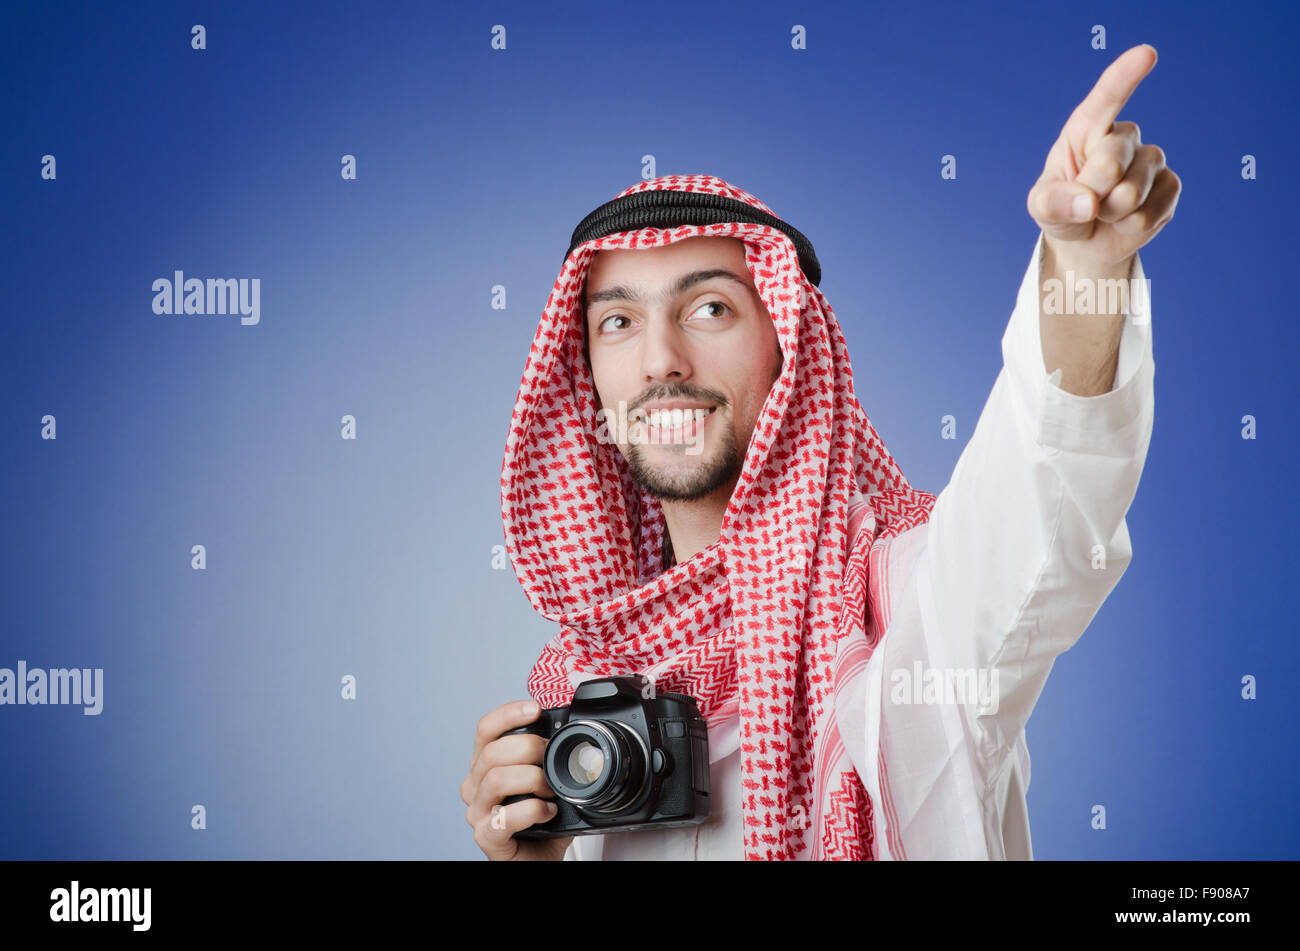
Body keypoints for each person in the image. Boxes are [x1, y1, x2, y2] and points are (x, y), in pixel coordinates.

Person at [462, 43, 1178, 860]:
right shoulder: (591, 708)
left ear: (786, 349)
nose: (659, 359)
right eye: (617, 322)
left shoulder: (907, 601)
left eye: (708, 309)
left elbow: (1042, 494)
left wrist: (1084, 266)